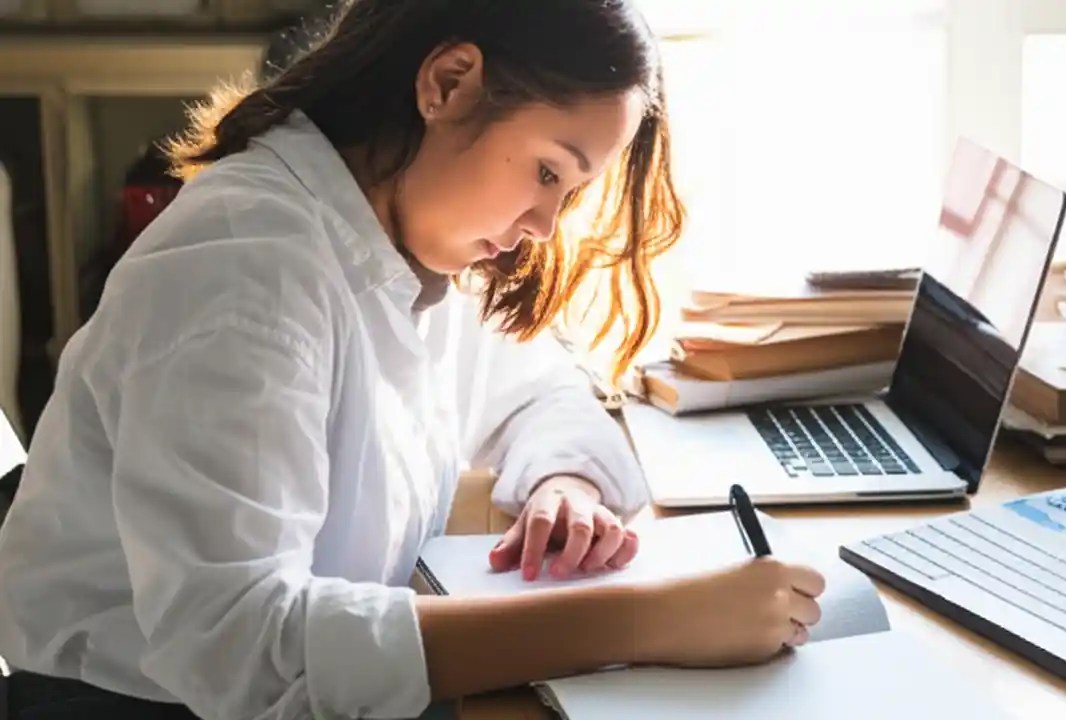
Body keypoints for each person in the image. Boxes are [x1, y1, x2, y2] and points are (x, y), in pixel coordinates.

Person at [0, 2, 826, 719]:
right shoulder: (243, 274)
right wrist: (650, 622)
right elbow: (243, 648)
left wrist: (560, 484)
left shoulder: (408, 244)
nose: (543, 224)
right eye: (547, 171)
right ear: (448, 83)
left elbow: (541, 391)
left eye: (568, 195)